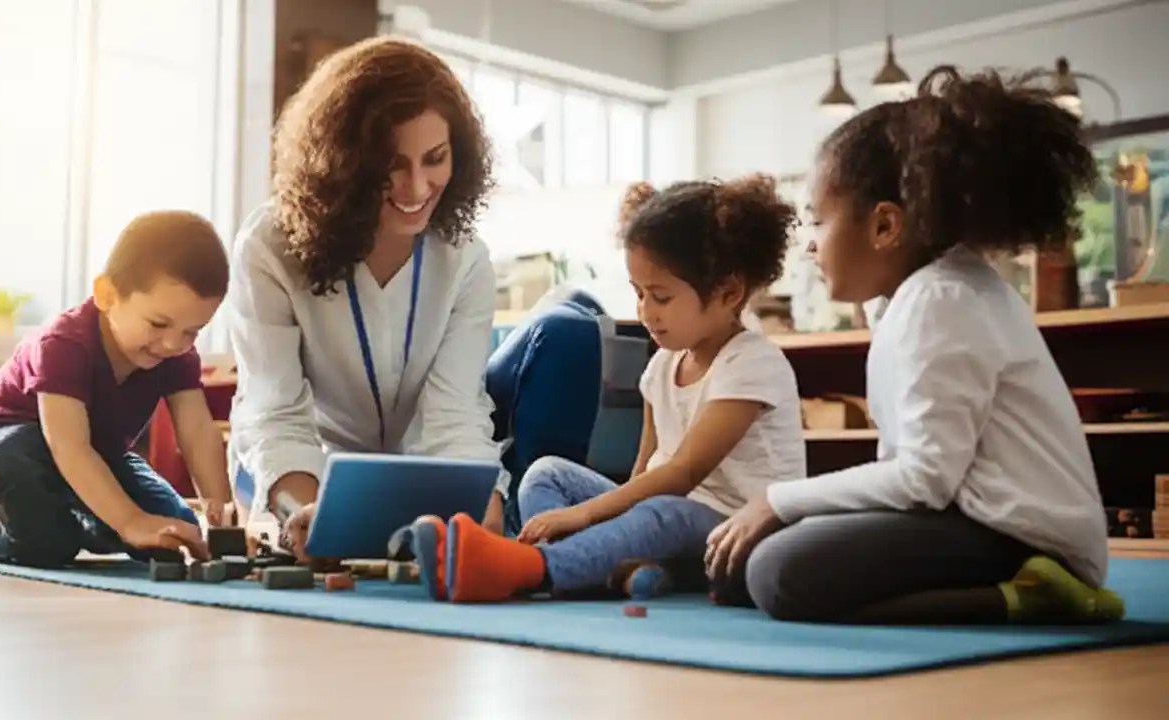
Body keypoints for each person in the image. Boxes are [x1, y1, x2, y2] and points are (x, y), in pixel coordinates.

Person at [704, 66, 1125, 624]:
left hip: (1022, 538)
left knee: (778, 573)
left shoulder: (941, 300)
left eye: (819, 222)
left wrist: (778, 500)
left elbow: (925, 479)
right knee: (745, 565)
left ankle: (1035, 595)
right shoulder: (920, 295)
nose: (811, 246)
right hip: (965, 520)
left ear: (884, 227)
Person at [227, 37, 593, 560]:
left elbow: (455, 414)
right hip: (303, 461)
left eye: (435, 159)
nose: (417, 186)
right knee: (303, 542)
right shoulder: (268, 246)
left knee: (571, 328)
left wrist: (482, 509)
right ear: (343, 163)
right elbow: (276, 414)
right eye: (391, 165)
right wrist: (308, 515)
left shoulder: (465, 258)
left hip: (420, 465)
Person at [407, 175, 807, 603]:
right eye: (639, 294)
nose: (646, 313)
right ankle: (588, 567)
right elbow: (647, 470)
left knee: (661, 512)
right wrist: (599, 513)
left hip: (740, 527)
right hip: (672, 518)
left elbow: (681, 474)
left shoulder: (751, 363)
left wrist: (583, 515)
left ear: (728, 293)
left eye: (661, 297)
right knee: (546, 473)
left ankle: (527, 567)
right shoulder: (663, 366)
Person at [0, 211, 233, 567]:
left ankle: (84, 523)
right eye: (158, 323)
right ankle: (19, 535)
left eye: (192, 331)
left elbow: (197, 431)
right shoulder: (63, 342)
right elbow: (68, 446)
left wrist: (222, 517)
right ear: (107, 295)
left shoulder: (177, 355)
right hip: (8, 446)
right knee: (45, 543)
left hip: (99, 454)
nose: (172, 344)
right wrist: (130, 520)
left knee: (174, 533)